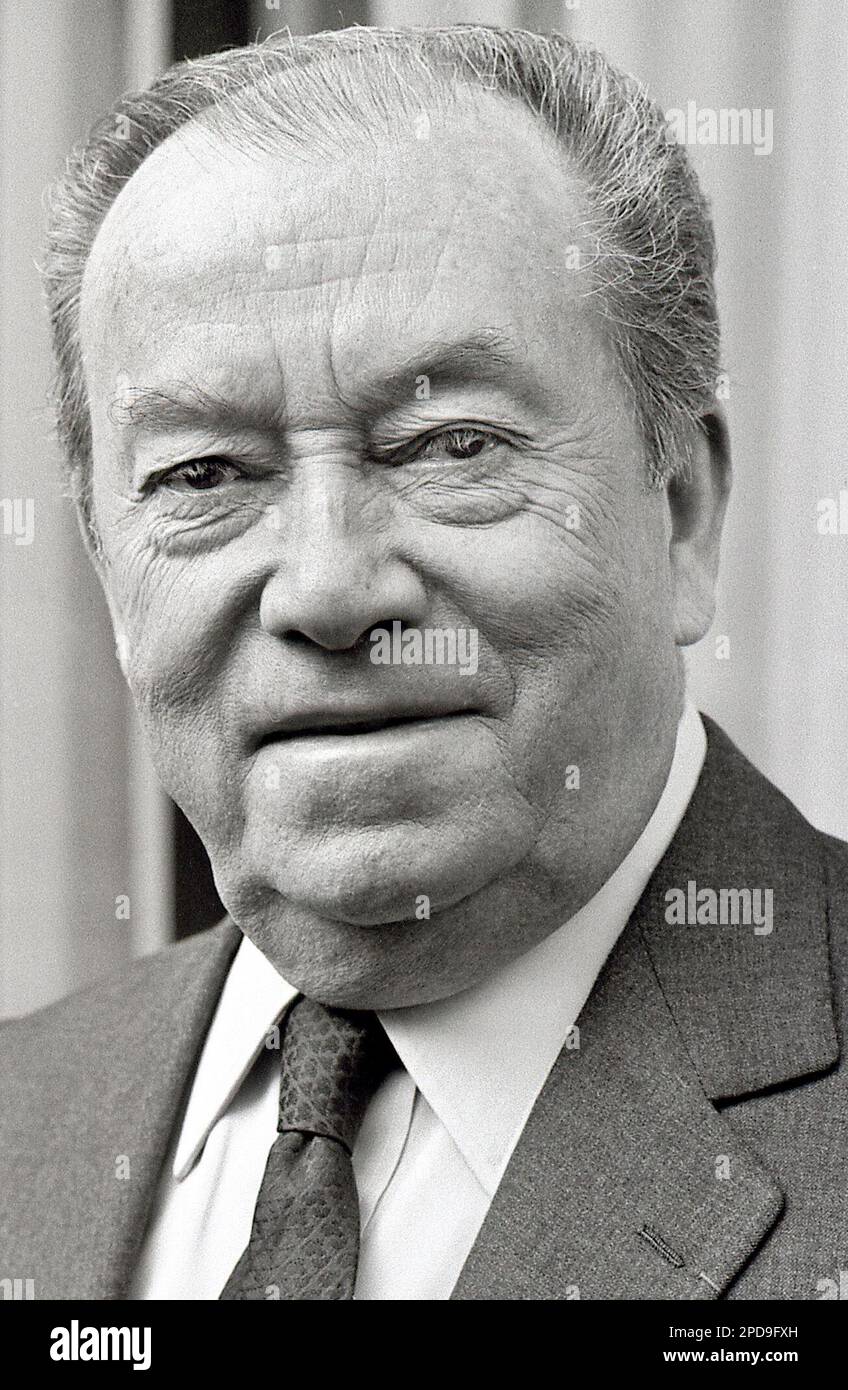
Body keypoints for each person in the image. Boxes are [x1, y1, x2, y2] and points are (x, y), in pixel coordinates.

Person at [1, 24, 845, 1302]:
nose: (329, 588)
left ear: (677, 513)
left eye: (447, 445)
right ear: (110, 566)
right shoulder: (24, 1115)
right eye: (205, 476)